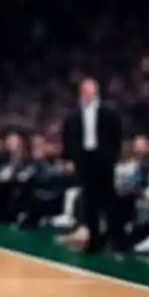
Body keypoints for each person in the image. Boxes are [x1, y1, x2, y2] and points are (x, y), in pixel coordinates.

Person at [61, 77, 125, 253]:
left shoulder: (109, 111)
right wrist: (70, 159)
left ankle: (115, 241)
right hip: (84, 159)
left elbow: (117, 135)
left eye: (92, 90)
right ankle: (93, 241)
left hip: (104, 159)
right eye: (85, 90)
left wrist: (113, 157)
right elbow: (68, 138)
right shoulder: (73, 114)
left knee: (109, 201)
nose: (89, 93)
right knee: (89, 202)